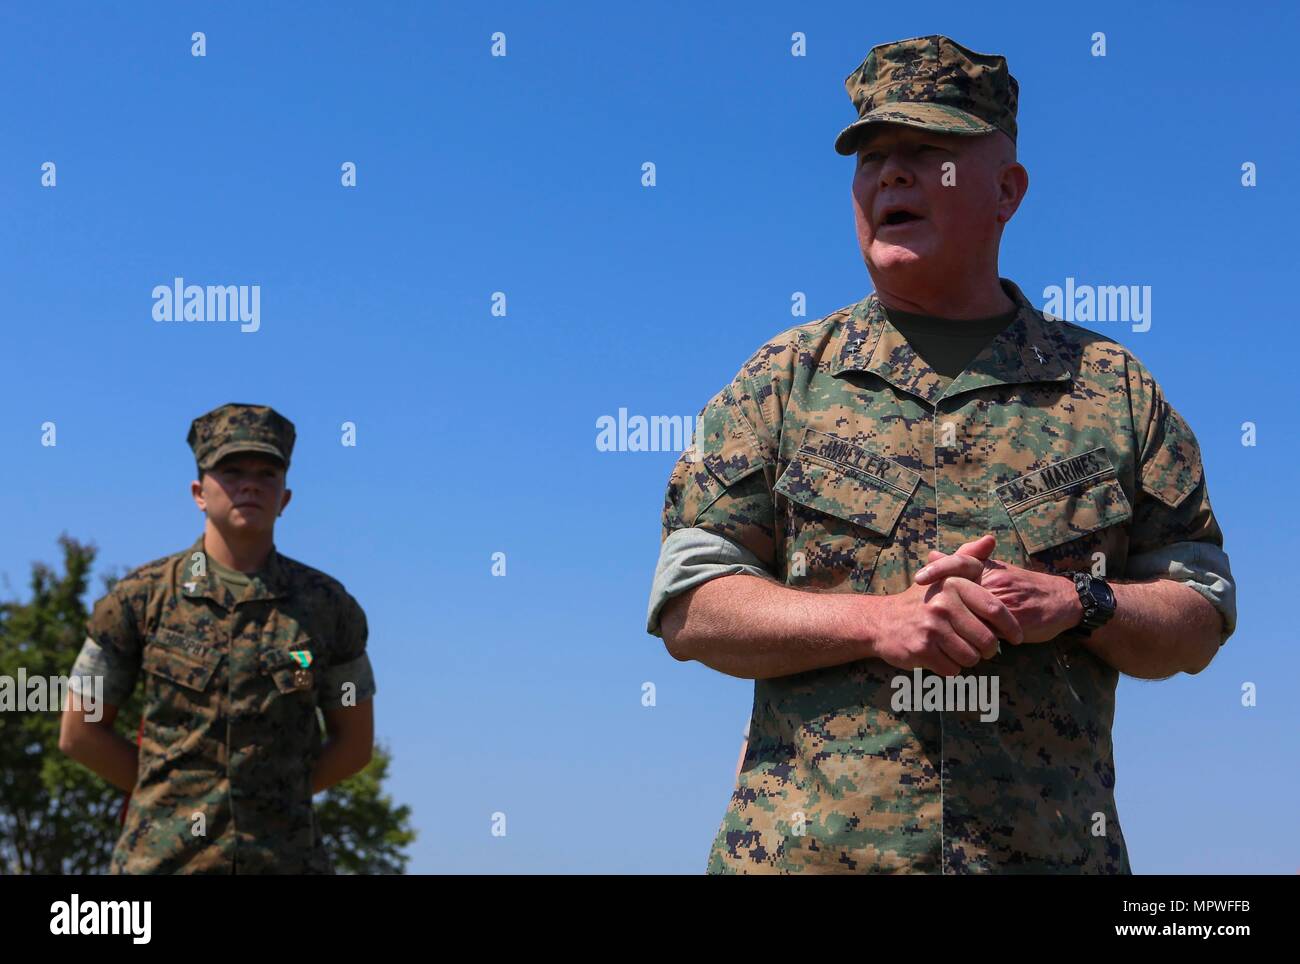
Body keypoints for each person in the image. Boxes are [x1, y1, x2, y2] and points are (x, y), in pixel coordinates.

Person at [645, 35, 1236, 874]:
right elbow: (691, 605)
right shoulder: (782, 381)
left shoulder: (1112, 390)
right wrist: (878, 622)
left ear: (1007, 189)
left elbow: (1199, 614)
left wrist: (1079, 601)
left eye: (930, 151)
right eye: (875, 156)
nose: (892, 174)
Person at [59, 403, 377, 874]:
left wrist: (267, 800)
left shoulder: (329, 610)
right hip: (164, 865)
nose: (249, 484)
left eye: (266, 473)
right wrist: (172, 804)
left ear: (285, 497)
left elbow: (353, 745)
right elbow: (80, 732)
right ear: (198, 493)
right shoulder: (138, 600)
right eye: (230, 471)